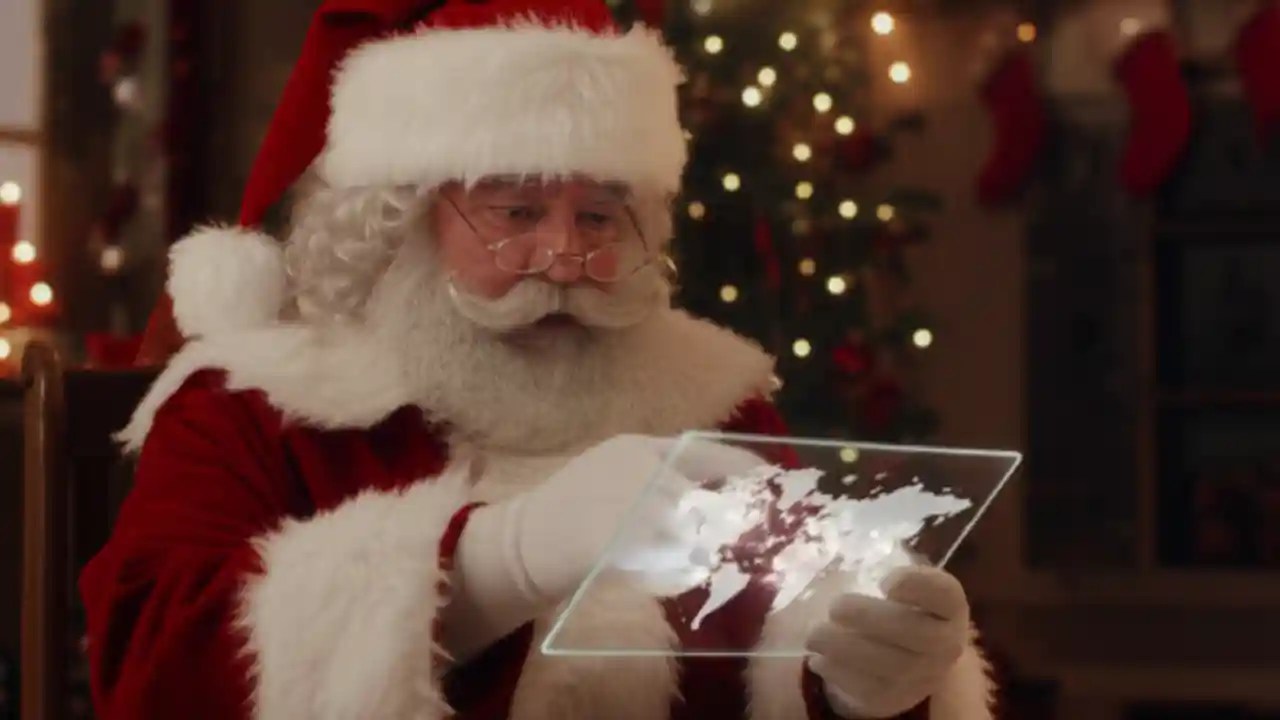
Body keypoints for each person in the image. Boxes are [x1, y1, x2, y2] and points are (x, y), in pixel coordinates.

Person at [81, 1, 994, 718]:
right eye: (516, 211)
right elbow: (154, 672)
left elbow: (784, 638)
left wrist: (865, 685)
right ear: (396, 225)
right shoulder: (254, 405)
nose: (567, 256)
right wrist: (493, 565)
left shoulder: (718, 405)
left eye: (600, 215)